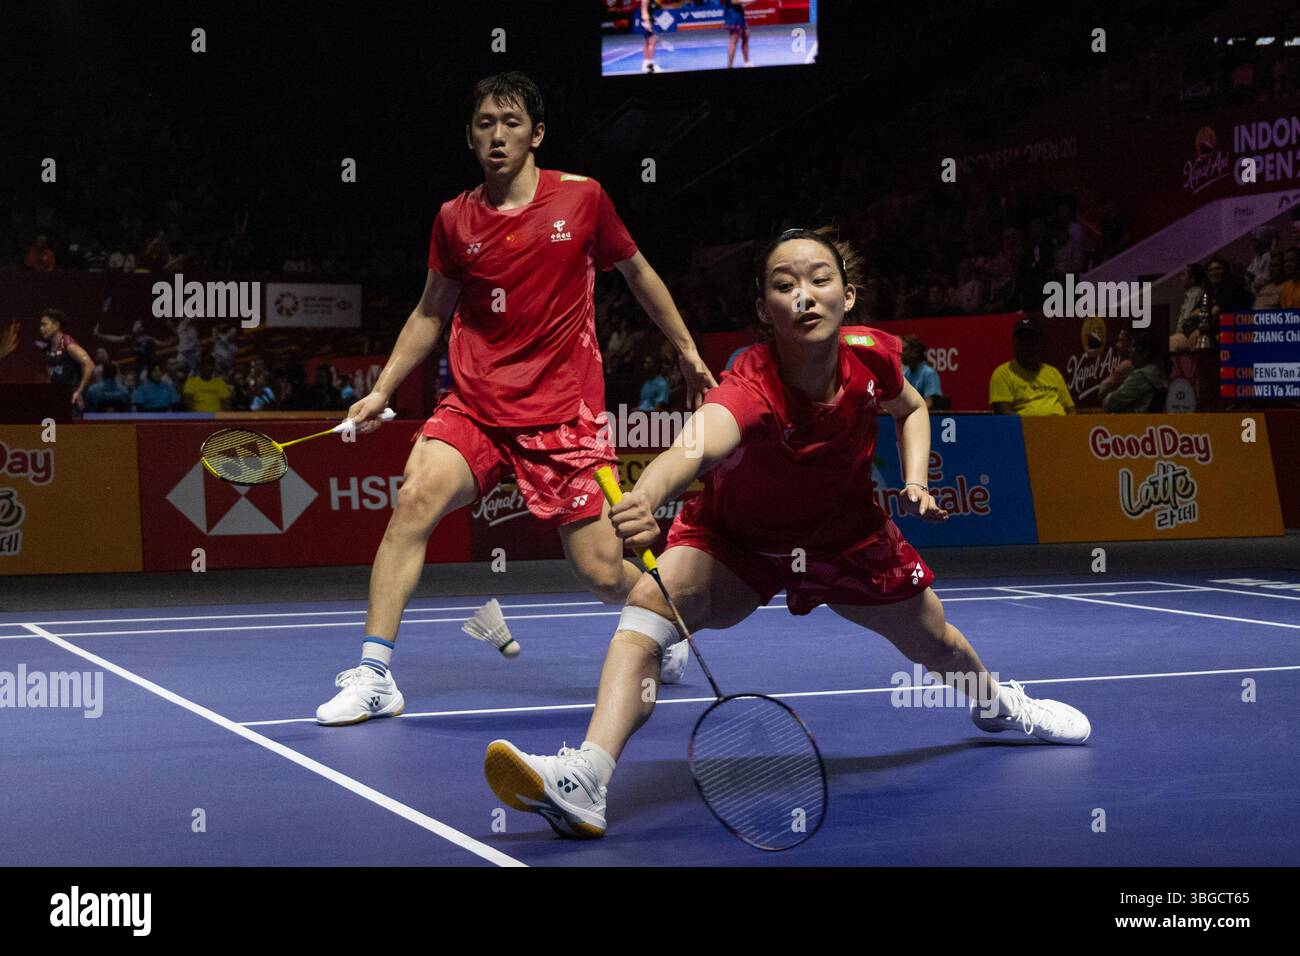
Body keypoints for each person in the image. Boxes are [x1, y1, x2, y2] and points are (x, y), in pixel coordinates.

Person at [482, 229, 1092, 839]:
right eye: (784, 285)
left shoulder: (874, 355)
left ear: (847, 296)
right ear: (763, 310)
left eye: (819, 280)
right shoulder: (750, 384)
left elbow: (912, 408)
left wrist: (913, 480)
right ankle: (586, 778)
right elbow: (697, 443)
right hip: (739, 541)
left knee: (941, 647)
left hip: (848, 540)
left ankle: (999, 707)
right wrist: (646, 495)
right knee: (646, 611)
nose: (804, 296)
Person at [316, 72, 717, 726]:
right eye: (483, 124)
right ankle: (375, 674)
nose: (496, 135)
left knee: (601, 572)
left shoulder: (583, 200)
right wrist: (382, 389)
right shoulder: (455, 219)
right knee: (415, 498)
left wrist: (687, 349)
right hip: (475, 409)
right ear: (470, 138)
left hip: (565, 418)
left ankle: (664, 619)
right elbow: (428, 312)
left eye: (509, 122)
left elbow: (638, 273)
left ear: (536, 134)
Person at [989, 319, 1076, 415]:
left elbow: (1070, 410)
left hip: (1060, 427)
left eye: (1032, 342)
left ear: (1041, 345)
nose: (1028, 347)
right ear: (1014, 345)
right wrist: (1032, 427)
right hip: (1024, 429)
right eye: (1023, 341)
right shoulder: (1003, 373)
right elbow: (1003, 413)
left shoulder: (1053, 373)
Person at [37, 309, 94, 412]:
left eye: (44, 325)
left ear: (56, 325)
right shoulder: (48, 348)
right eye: (41, 325)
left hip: (72, 401)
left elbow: (89, 365)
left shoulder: (69, 345)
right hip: (57, 400)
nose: (41, 328)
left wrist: (79, 391)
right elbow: (52, 375)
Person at [1102, 333, 1165, 413]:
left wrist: (1116, 381)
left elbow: (1108, 404)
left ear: (1146, 352)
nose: (1130, 350)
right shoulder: (1158, 374)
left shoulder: (1141, 377)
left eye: (1134, 346)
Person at [900, 335, 942, 410]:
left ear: (915, 352)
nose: (901, 353)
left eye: (905, 350)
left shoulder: (929, 374)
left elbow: (929, 404)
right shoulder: (906, 374)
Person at [722, 0, 754, 68]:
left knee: (745, 36)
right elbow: (735, 1)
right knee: (734, 40)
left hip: (739, 13)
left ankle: (747, 62)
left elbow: (741, 4)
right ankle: (730, 65)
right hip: (733, 15)